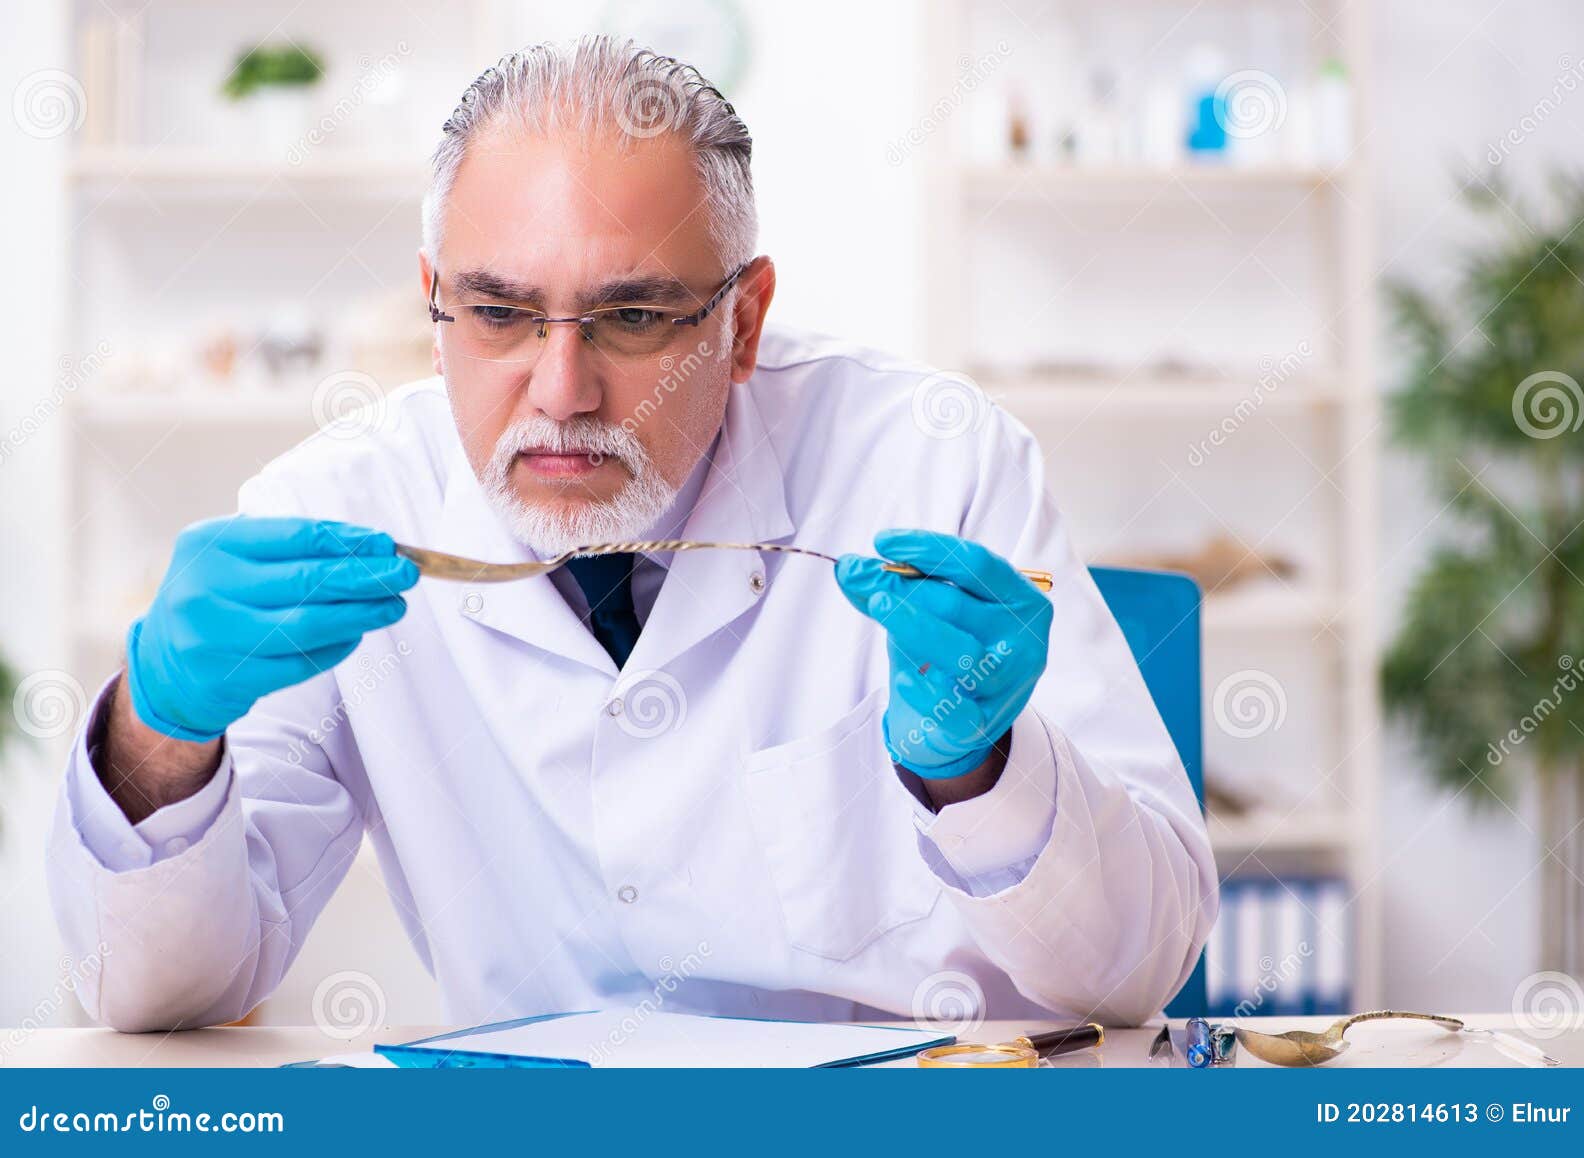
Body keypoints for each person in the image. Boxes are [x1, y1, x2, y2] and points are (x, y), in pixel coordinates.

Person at [47, 36, 1216, 1033]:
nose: (561, 391)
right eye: (499, 313)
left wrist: (975, 768)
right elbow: (158, 1001)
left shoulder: (933, 461)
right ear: (435, 305)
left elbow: (1136, 971)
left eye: (635, 317)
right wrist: (159, 733)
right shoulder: (340, 511)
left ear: (744, 319)